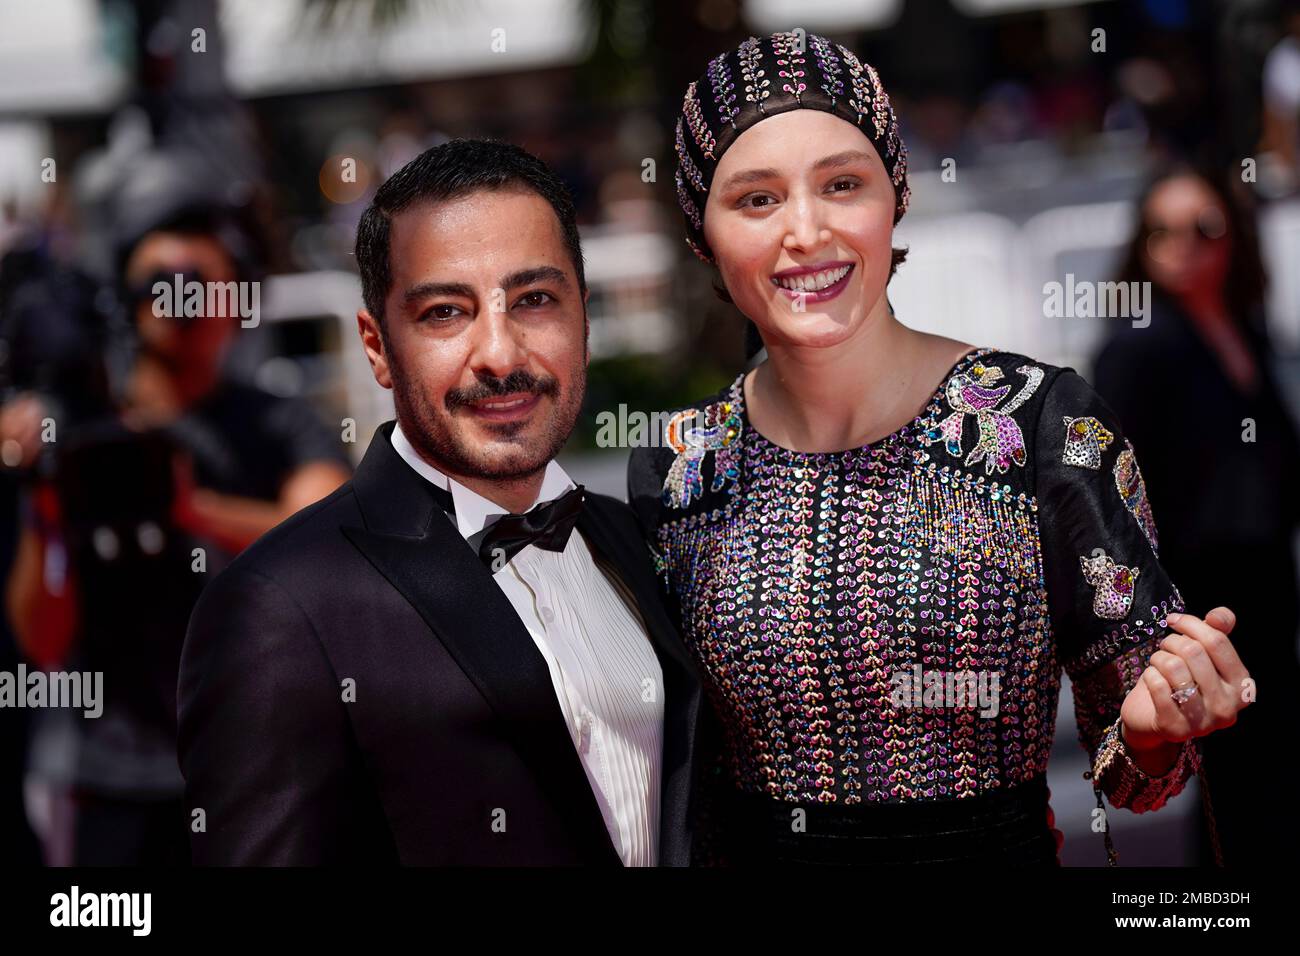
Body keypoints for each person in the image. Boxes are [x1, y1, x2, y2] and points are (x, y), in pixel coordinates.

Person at [628, 32, 1253, 866]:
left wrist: (1149, 733)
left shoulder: (1041, 426)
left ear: (896, 196)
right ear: (702, 234)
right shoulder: (677, 468)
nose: (806, 232)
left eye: (843, 184)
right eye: (755, 200)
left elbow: (1137, 776)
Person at [178, 139, 702, 865]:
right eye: (445, 313)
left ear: (585, 315)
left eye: (535, 300)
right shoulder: (281, 607)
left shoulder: (632, 539)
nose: (501, 354)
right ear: (376, 346)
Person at [5, 196, 351, 865]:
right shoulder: (80, 437)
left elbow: (326, 550)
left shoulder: (278, 424)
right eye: (158, 285)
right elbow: (40, 641)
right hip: (114, 784)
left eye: (199, 283)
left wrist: (193, 507)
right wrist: (47, 505)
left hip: (264, 772)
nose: (178, 302)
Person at [1093, 162, 1300, 867]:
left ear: (1233, 237)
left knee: (1271, 780)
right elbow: (1111, 498)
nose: (1183, 244)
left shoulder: (1246, 328)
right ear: (1141, 245)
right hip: (1201, 603)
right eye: (1163, 230)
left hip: (1268, 588)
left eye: (1204, 228)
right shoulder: (1138, 345)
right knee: (1234, 794)